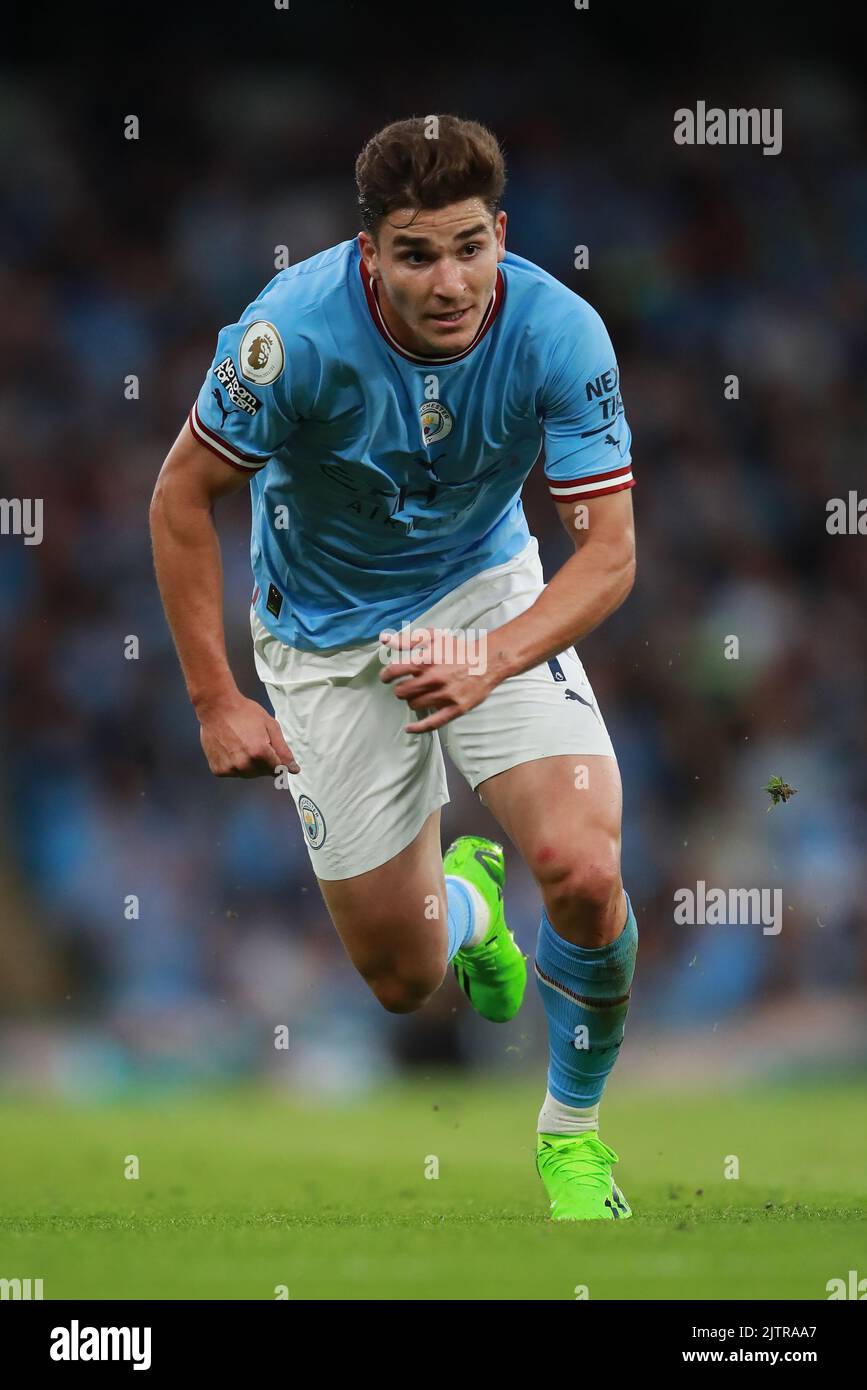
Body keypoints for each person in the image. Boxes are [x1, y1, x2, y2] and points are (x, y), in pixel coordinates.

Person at [150, 114, 638, 1221]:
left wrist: (493, 658)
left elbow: (608, 554)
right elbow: (181, 496)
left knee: (585, 868)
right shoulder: (289, 339)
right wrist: (215, 697)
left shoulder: (562, 333)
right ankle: (469, 906)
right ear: (370, 254)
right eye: (416, 253)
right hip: (324, 636)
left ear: (502, 234)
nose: (451, 279)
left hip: (484, 595)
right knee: (403, 978)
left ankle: (572, 1137)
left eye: (471, 246)